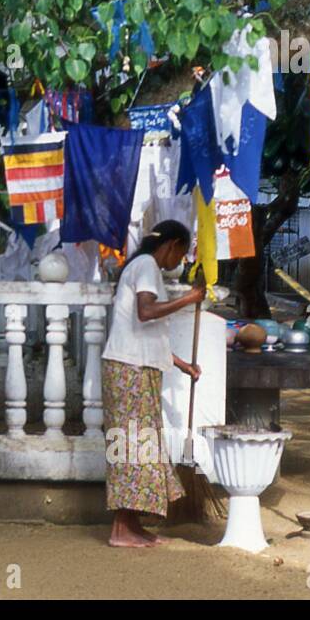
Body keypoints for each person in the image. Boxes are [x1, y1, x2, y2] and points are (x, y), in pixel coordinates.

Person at [100, 220, 205, 548]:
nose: (180, 261)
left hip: (133, 366)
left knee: (136, 446)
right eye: (181, 253)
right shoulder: (146, 265)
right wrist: (190, 298)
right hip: (130, 370)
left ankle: (129, 526)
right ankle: (121, 530)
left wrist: (182, 365)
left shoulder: (141, 266)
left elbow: (146, 332)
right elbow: (146, 313)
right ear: (172, 244)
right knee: (132, 447)